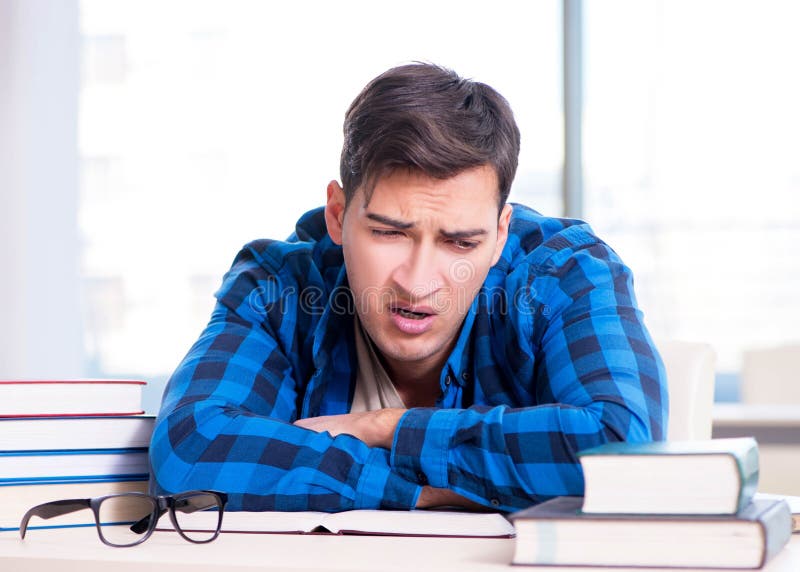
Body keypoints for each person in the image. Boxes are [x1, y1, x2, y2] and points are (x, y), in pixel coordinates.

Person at [149, 63, 668, 513]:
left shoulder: (565, 272)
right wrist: (422, 492)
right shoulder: (278, 286)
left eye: (460, 243)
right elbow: (191, 447)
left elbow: (622, 449)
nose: (418, 283)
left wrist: (385, 428)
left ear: (500, 234)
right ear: (337, 214)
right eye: (388, 234)